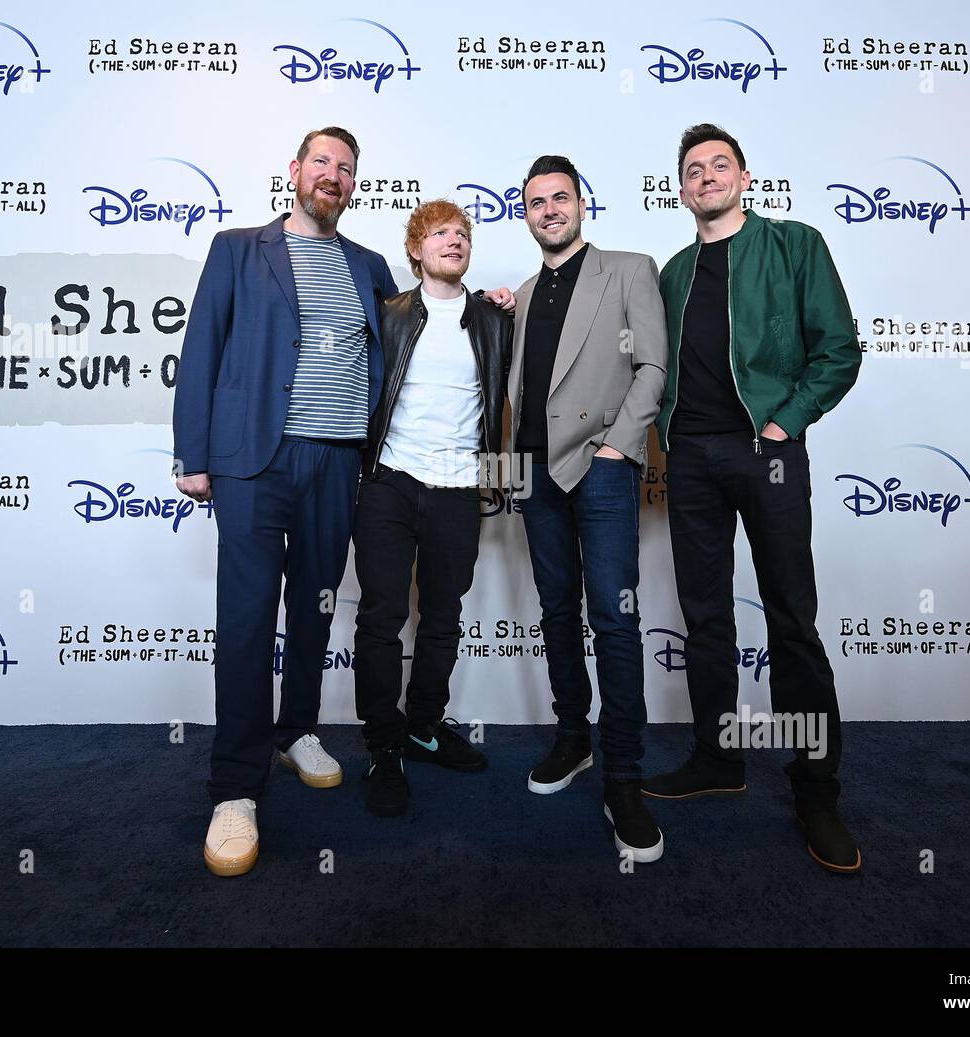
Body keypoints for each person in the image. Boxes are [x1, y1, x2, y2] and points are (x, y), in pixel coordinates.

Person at [173, 127, 398, 877]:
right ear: (294, 172)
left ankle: (297, 728)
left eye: (346, 168)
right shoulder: (238, 248)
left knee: (316, 604)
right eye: (322, 162)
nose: (333, 175)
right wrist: (193, 453)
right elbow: (202, 345)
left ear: (355, 185)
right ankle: (236, 787)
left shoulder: (369, 265)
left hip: (337, 464)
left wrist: (491, 305)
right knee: (244, 618)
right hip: (251, 461)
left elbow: (412, 344)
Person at [648, 123, 863, 873]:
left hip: (765, 452)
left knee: (789, 619)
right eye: (693, 169)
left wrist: (784, 423)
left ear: (744, 176)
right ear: (681, 190)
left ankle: (816, 789)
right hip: (693, 459)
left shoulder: (793, 245)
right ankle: (718, 755)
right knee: (705, 615)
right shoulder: (672, 272)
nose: (706, 176)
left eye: (718, 165)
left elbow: (839, 347)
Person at [510, 155, 668, 862]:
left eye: (560, 197)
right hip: (537, 473)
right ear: (526, 214)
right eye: (537, 202)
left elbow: (653, 366)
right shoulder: (520, 292)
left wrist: (619, 449)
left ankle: (624, 776)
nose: (550, 209)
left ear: (582, 203)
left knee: (614, 616)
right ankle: (572, 736)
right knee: (555, 610)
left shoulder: (630, 268)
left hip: (601, 469)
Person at [353, 199, 514, 817]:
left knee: (443, 615)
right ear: (416, 250)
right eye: (440, 233)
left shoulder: (494, 319)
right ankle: (382, 748)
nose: (455, 241)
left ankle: (423, 727)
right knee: (382, 617)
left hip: (458, 488)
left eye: (463, 234)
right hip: (389, 483)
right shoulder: (387, 313)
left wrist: (515, 304)